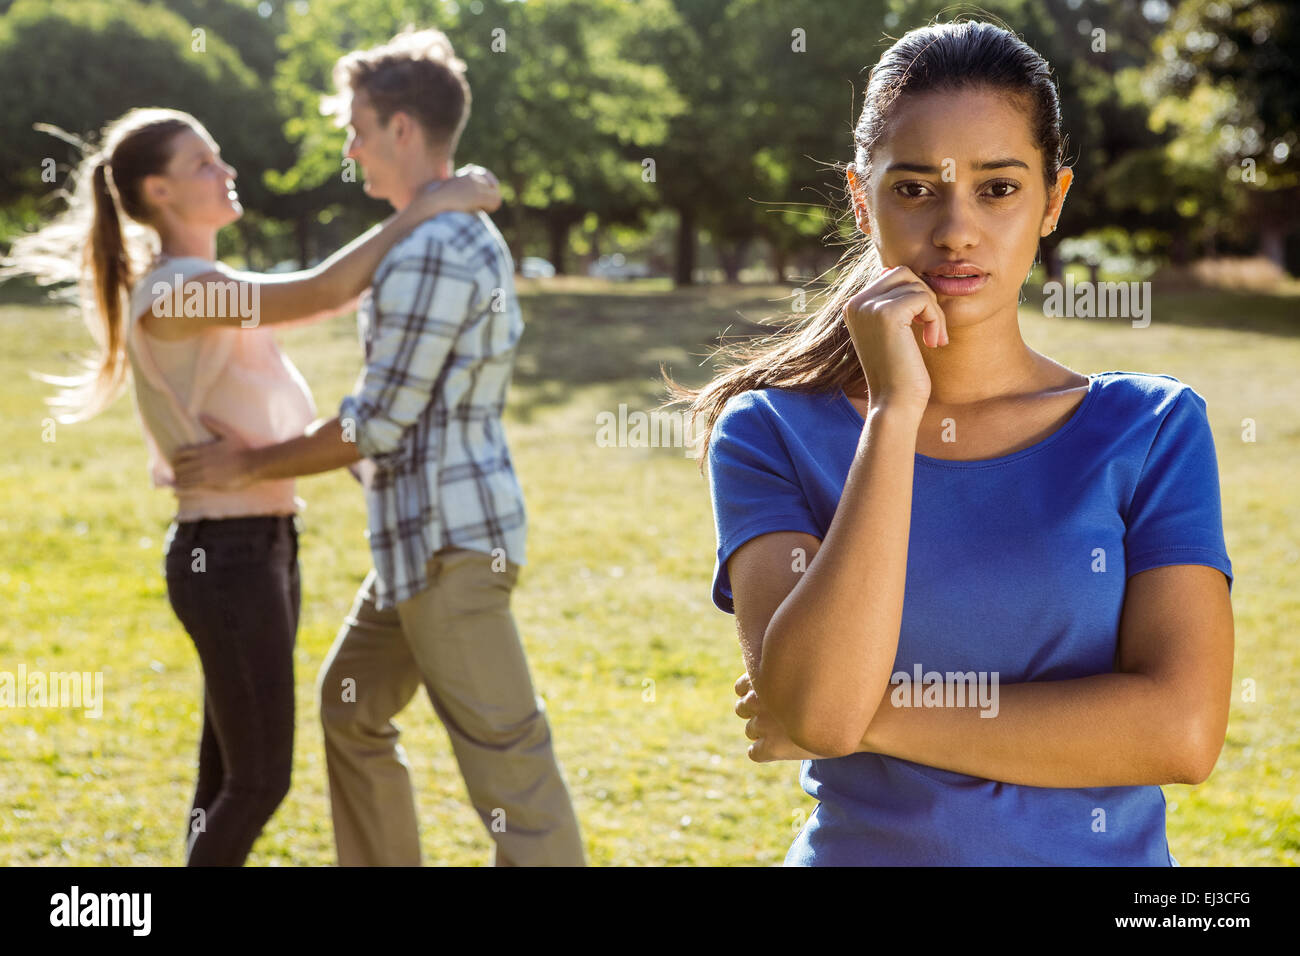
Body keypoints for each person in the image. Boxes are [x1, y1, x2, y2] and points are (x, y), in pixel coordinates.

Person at [665, 19, 1234, 865]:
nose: (957, 230)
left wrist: (872, 713)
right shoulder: (770, 433)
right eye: (916, 188)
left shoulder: (1150, 431)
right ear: (864, 200)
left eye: (999, 188)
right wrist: (895, 411)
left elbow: (1180, 733)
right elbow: (817, 711)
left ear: (1054, 201)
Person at [1, 106, 501, 865]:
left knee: (226, 775)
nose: (227, 171)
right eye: (204, 163)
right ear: (158, 192)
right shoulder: (177, 294)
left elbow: (329, 298)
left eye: (219, 153)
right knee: (260, 779)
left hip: (261, 544)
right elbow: (325, 291)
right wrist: (430, 201)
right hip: (226, 554)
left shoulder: (207, 285)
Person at [171, 29, 586, 867]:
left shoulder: (431, 249)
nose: (349, 146)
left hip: (449, 550)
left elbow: (378, 423)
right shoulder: (433, 235)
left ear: (403, 129)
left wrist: (249, 463)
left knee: (514, 772)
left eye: (358, 127)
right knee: (350, 707)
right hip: (417, 550)